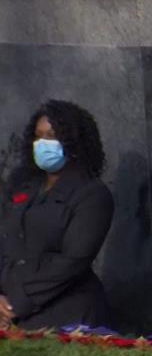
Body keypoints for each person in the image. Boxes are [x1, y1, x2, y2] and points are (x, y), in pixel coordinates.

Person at [0, 100, 114, 330]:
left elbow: (72, 261)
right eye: (38, 136)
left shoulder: (92, 194)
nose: (43, 143)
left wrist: (15, 302)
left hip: (66, 316)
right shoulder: (22, 185)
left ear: (73, 142)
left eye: (52, 136)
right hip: (8, 313)